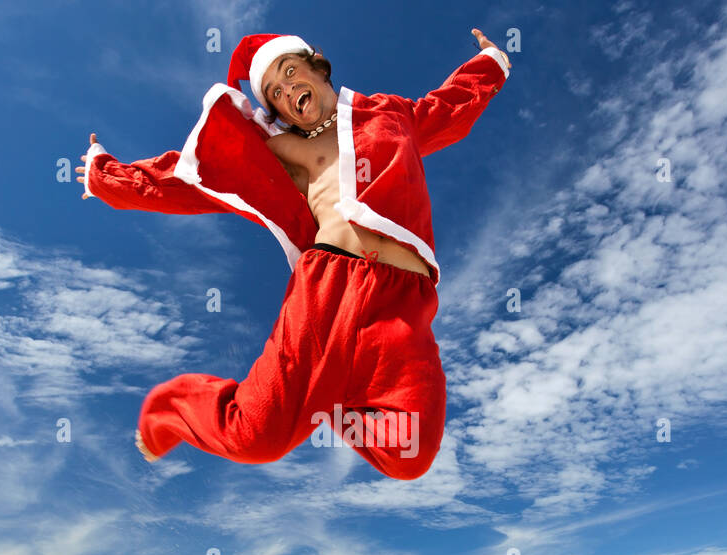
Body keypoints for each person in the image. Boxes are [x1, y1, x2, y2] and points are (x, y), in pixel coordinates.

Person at [78, 30, 511, 479]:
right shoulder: (286, 150)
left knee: (410, 452)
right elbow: (194, 177)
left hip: (403, 305)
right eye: (274, 94)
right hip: (328, 289)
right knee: (256, 438)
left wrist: (492, 63)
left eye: (290, 73)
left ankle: (326, 400)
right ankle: (174, 404)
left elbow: (449, 107)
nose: (287, 92)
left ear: (317, 68)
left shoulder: (391, 113)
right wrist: (105, 175)